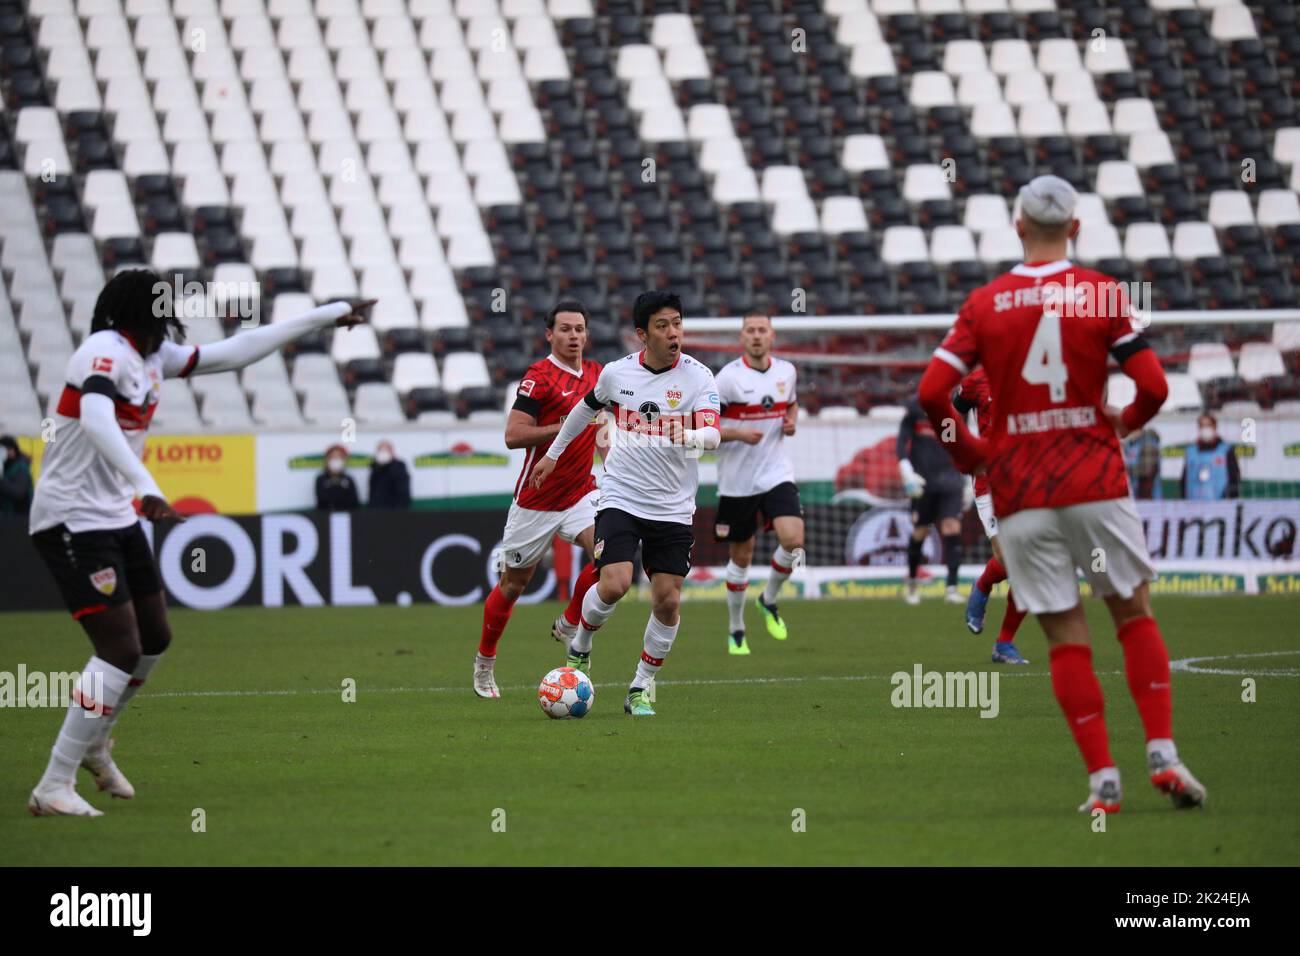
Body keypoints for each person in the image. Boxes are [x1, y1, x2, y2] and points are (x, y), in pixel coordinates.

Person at [26, 268, 373, 816]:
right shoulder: (103, 350)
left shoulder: (150, 357)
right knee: (117, 646)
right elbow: (95, 417)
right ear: (138, 309)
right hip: (71, 517)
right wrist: (146, 487)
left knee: (154, 637)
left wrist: (327, 315)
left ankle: (96, 741)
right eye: (161, 305)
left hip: (112, 513)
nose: (171, 315)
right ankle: (53, 783)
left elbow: (236, 353)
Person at [917, 174, 1205, 814]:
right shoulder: (1101, 294)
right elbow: (1154, 387)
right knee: (1132, 617)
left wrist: (972, 454)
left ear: (1018, 226)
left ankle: (1104, 783)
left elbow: (933, 392)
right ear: (1076, 228)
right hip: (1096, 478)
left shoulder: (986, 303)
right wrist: (1122, 426)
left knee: (1067, 637)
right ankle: (1162, 754)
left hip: (1021, 490)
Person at [529, 290, 720, 716]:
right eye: (663, 326)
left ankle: (640, 687)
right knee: (614, 583)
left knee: (667, 600)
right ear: (641, 334)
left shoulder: (701, 377)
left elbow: (713, 435)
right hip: (621, 495)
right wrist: (554, 454)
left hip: (673, 506)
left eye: (677, 323)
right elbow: (584, 410)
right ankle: (580, 646)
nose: (674, 333)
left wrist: (687, 434)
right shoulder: (617, 375)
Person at [473, 300, 604, 699]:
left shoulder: (599, 374)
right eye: (565, 329)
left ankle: (569, 621)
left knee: (612, 555)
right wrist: (560, 427)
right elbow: (513, 436)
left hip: (582, 491)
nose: (574, 336)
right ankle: (485, 662)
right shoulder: (539, 378)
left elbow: (607, 422)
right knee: (514, 584)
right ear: (550, 334)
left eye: (579, 329)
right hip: (537, 499)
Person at [713, 312, 804, 655]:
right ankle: (736, 627)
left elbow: (791, 405)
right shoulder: (727, 379)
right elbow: (705, 427)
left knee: (794, 541)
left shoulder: (787, 371)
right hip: (737, 482)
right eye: (749, 330)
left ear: (772, 335)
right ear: (742, 338)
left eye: (761, 330)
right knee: (742, 557)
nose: (756, 336)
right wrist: (737, 432)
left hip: (776, 473)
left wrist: (792, 421)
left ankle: (768, 599)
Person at [953, 368, 1029, 665]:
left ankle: (1004, 643)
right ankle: (984, 584)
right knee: (1011, 560)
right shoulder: (976, 380)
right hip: (989, 481)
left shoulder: (1035, 371)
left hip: (1027, 479)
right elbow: (949, 416)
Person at [897, 396, 968, 605]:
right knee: (920, 531)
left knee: (952, 528)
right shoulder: (915, 410)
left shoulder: (956, 409)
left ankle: (952, 587)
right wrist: (905, 467)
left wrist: (967, 476)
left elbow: (960, 444)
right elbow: (902, 441)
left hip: (950, 479)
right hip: (923, 481)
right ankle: (912, 585)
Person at [1181, 413, 1239, 500]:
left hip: (1220, 507)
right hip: (1194, 505)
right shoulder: (1191, 451)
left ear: (1215, 427)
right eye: (1202, 426)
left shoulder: (1225, 450)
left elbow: (1234, 479)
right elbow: (1184, 481)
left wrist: (1230, 502)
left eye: (1208, 425)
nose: (1205, 429)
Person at [367, 440, 411, 509]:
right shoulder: (374, 468)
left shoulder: (399, 467)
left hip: (394, 512)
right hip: (377, 512)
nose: (383, 453)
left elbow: (403, 493)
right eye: (380, 451)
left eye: (385, 450)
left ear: (392, 452)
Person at [315, 443, 359, 511]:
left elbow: (353, 502)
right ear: (327, 460)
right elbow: (323, 500)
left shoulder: (349, 479)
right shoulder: (320, 479)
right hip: (325, 517)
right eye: (333, 457)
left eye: (339, 457)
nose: (336, 460)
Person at [1124, 427, 1163, 499]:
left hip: (1147, 499)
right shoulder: (1130, 444)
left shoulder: (1148, 444)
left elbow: (1146, 471)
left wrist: (1121, 470)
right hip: (1134, 497)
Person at [1, 435, 33, 515]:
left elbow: (19, 492)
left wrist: (1, 480)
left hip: (19, 517)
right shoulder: (5, 467)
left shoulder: (21, 468)